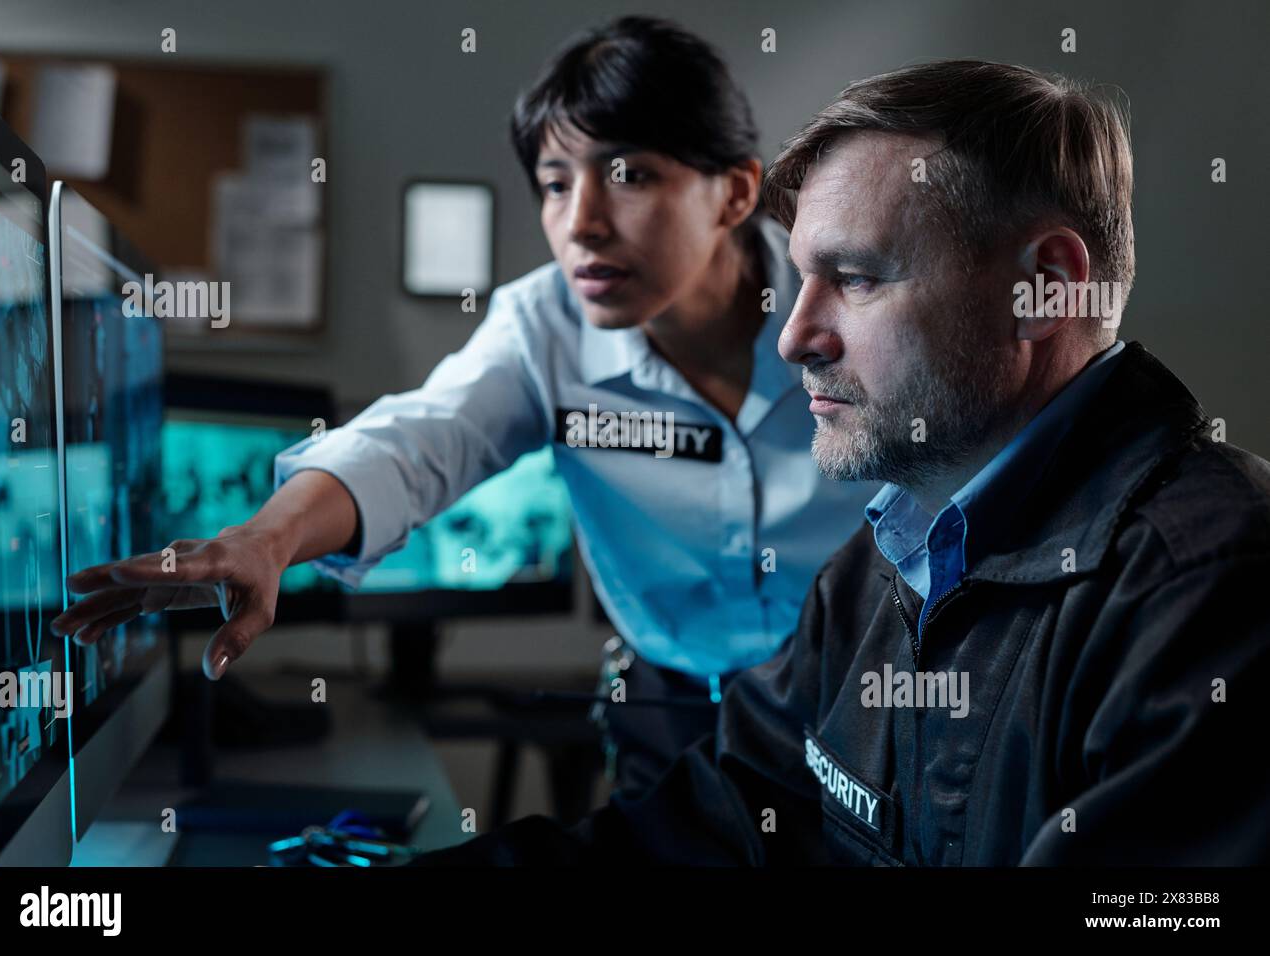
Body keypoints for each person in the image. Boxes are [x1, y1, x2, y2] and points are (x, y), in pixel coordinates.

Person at [411, 60, 1270, 865]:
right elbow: (720, 824)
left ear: (1045, 288)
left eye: (854, 278)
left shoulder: (1209, 588)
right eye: (801, 278)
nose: (794, 338)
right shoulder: (879, 565)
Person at [49, 17, 875, 800]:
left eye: (628, 177)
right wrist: (270, 540)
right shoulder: (543, 326)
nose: (579, 223)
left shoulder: (859, 315)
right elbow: (418, 440)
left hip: (860, 712)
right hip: (673, 714)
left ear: (733, 193)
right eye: (554, 185)